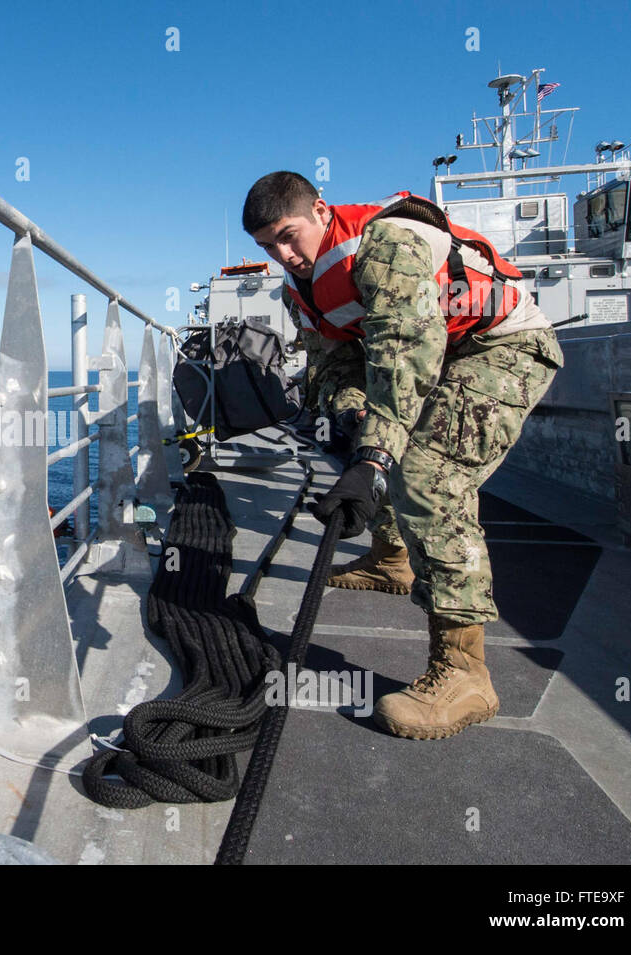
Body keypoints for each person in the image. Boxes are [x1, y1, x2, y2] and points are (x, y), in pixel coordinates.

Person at [242, 171, 563, 740]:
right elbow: (338, 364)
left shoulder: (389, 244)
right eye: (268, 246)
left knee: (424, 479)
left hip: (500, 346)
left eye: (290, 236)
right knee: (366, 436)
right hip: (442, 356)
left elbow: (405, 351)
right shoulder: (302, 286)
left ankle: (466, 675)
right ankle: (392, 562)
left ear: (321, 211)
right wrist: (350, 425)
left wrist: (374, 459)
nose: (284, 255)